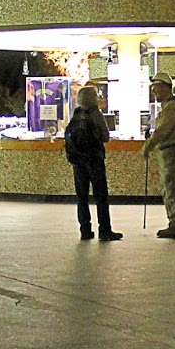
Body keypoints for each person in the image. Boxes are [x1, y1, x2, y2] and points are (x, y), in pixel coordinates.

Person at [65, 85, 120, 241]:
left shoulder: (76, 114)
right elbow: (105, 137)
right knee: (101, 196)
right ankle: (105, 230)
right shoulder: (96, 114)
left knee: (82, 196)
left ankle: (85, 230)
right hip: (94, 159)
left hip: (78, 160)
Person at [142, 75, 175, 239]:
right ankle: (174, 223)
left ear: (165, 87)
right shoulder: (168, 106)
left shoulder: (172, 107)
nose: (154, 93)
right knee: (169, 187)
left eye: (156, 89)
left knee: (173, 188)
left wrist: (148, 146)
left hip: (172, 151)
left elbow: (163, 130)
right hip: (168, 150)